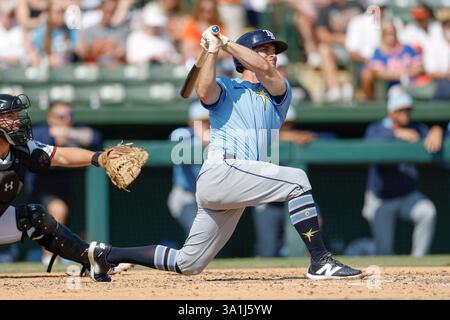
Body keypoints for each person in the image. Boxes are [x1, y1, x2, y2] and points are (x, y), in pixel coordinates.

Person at [86, 27, 362, 282]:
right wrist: (211, 50)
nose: (272, 55)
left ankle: (107, 255)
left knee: (188, 263)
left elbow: (264, 69)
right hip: (223, 168)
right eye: (264, 49)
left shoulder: (279, 90)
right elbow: (204, 90)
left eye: (273, 50)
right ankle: (320, 260)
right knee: (298, 180)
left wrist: (225, 41)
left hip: (236, 179)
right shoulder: (227, 86)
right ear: (243, 60)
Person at [0, 93, 126, 280]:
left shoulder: (23, 147)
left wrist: (98, 158)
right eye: (10, 116)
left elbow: (61, 156)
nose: (17, 121)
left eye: (17, 115)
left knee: (35, 217)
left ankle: (94, 260)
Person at [362, 85, 436, 257]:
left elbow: (432, 135)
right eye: (401, 110)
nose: (406, 114)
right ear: (391, 112)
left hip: (407, 196)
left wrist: (436, 131)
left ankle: (418, 260)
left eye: (408, 110)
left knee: (427, 212)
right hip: (381, 199)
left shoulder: (417, 128)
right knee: (383, 253)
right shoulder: (377, 128)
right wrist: (396, 134)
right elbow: (371, 144)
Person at [27, 101, 102, 265]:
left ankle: (65, 257)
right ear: (50, 118)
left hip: (68, 188)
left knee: (71, 222)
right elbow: (37, 140)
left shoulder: (74, 131)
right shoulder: (39, 132)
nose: (66, 119)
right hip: (42, 188)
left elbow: (95, 137)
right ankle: (49, 259)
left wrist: (69, 133)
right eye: (61, 116)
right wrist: (54, 136)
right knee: (58, 209)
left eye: (70, 116)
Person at [167, 101, 210, 237]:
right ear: (192, 122)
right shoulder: (183, 135)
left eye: (209, 120)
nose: (207, 125)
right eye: (201, 121)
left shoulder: (222, 137)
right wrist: (201, 140)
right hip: (186, 195)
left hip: (209, 195)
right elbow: (175, 140)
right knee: (196, 232)